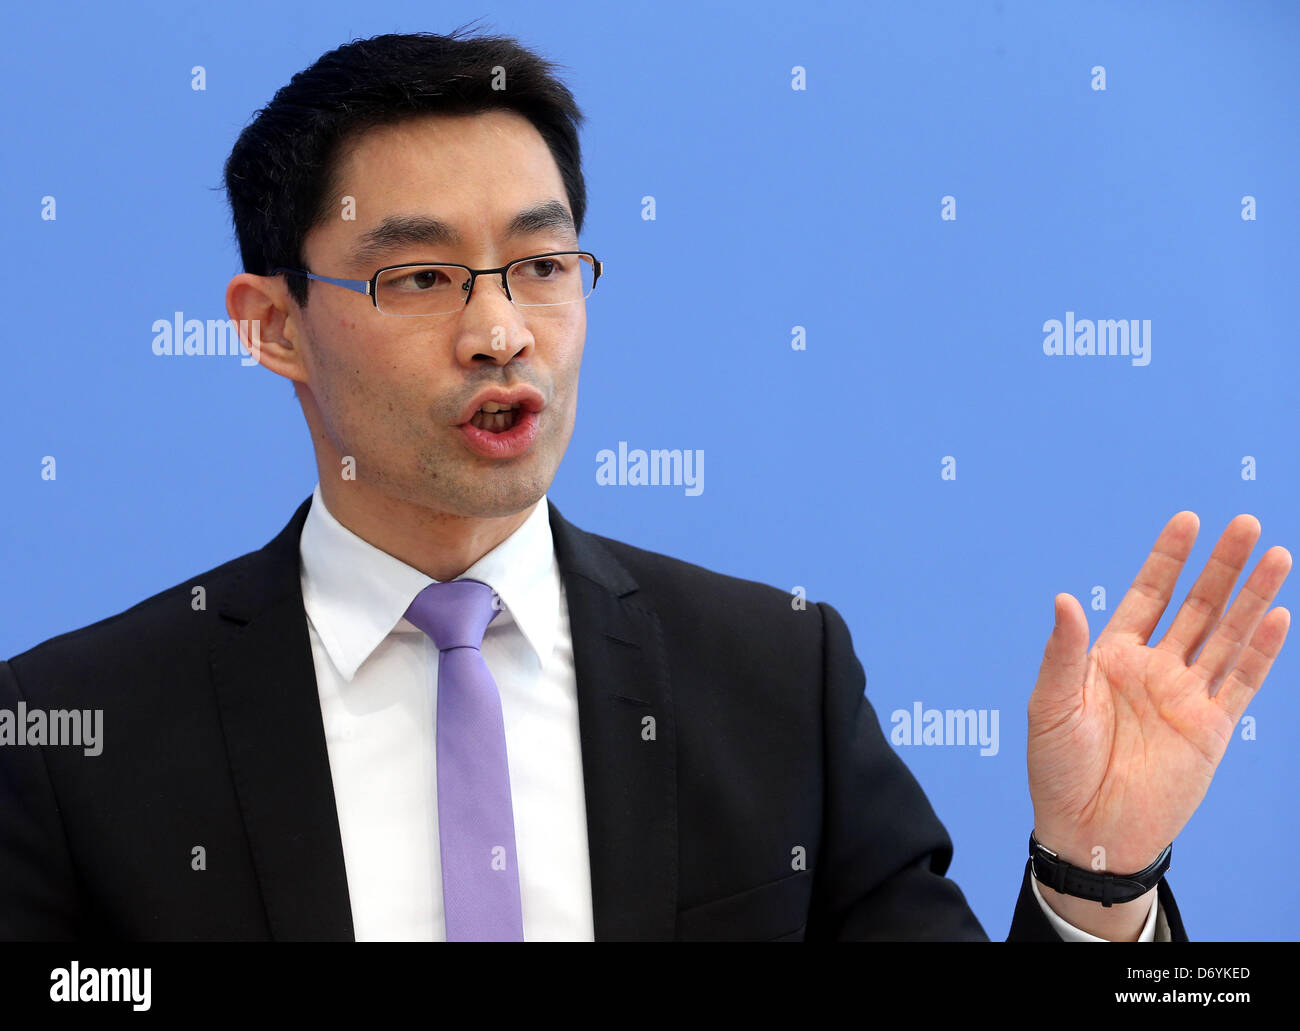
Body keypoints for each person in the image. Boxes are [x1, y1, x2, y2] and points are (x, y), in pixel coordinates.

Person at [0, 28, 1289, 942]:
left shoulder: (774, 680)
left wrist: (1094, 881)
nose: (501, 330)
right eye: (422, 276)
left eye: (541, 263)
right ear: (273, 325)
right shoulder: (74, 734)